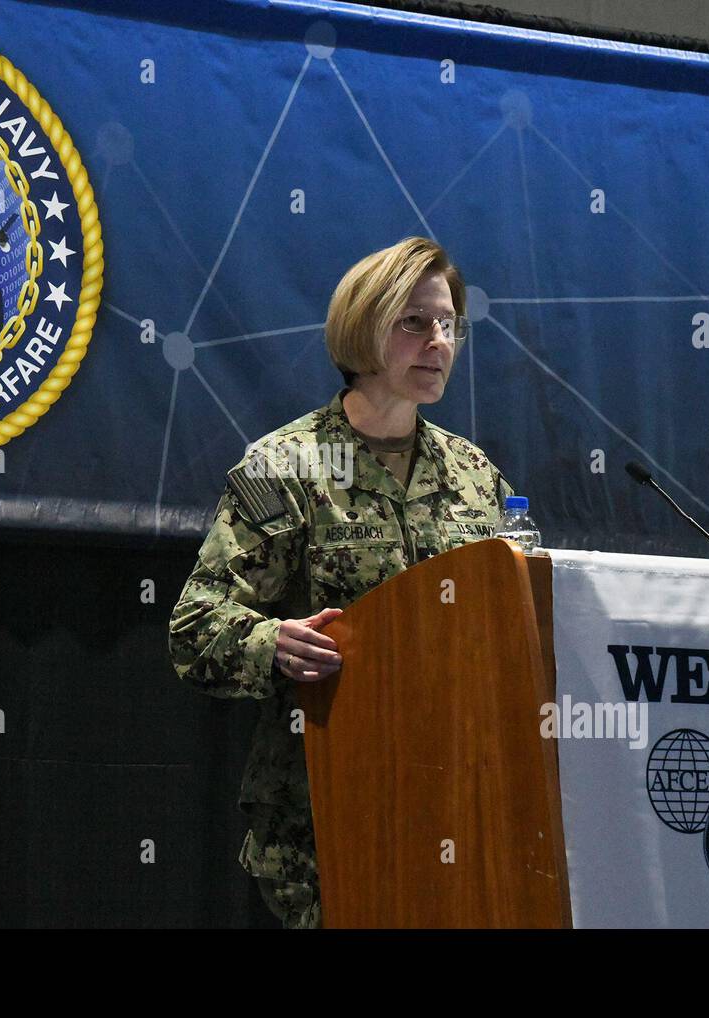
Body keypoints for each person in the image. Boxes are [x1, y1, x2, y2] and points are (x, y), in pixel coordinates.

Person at [168, 237, 515, 928]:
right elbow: (194, 627)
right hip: (328, 821)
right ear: (363, 326)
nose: (438, 341)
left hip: (461, 812)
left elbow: (516, 620)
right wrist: (274, 644)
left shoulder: (474, 474)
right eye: (414, 321)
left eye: (449, 324)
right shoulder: (286, 464)